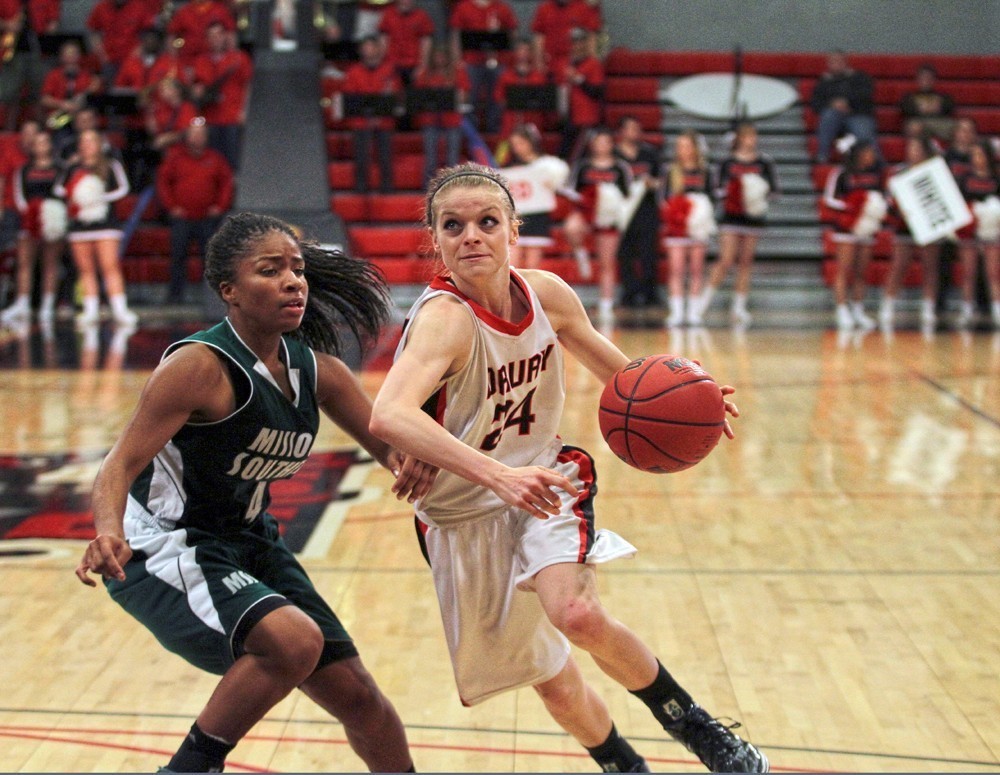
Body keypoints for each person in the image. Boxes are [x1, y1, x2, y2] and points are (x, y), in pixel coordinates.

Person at [368, 163, 769, 774]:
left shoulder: (548, 295)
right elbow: (388, 414)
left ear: (513, 229)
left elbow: (625, 380)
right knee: (551, 680)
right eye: (453, 226)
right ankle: (622, 764)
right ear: (436, 239)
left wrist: (695, 401)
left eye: (487, 222)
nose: (471, 235)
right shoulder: (444, 319)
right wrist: (491, 474)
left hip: (546, 478)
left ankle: (700, 729)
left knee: (576, 614)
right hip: (460, 514)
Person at [74, 212, 428, 773]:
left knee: (363, 702)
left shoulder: (320, 371)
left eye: (298, 269)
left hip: (252, 541)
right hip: (169, 544)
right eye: (272, 271)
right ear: (229, 291)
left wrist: (447, 473)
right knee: (291, 642)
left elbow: (395, 450)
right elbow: (118, 465)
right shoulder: (198, 366)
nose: (294, 281)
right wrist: (109, 532)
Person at [697, 123, 780, 327]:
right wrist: (735, 191)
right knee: (725, 260)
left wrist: (756, 193)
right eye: (747, 136)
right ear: (739, 139)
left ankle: (738, 307)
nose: (751, 140)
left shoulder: (764, 162)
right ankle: (701, 305)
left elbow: (774, 190)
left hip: (753, 219)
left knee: (745, 262)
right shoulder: (727, 162)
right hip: (730, 218)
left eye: (754, 136)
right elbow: (715, 189)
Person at [53, 127, 135, 326]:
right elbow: (58, 189)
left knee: (110, 267)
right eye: (84, 141)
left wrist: (97, 197)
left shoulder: (110, 165)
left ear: (99, 144)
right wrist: (78, 198)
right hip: (80, 226)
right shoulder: (73, 167)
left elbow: (123, 188)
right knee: (85, 270)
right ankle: (90, 310)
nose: (88, 145)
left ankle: (120, 309)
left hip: (106, 224)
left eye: (92, 141)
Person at [156, 118, 234, 303]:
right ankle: (175, 296)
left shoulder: (215, 159)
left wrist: (220, 207)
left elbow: (226, 184)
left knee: (210, 258)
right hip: (182, 218)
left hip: (207, 218)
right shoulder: (175, 158)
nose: (197, 138)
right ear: (187, 137)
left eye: (201, 134)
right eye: (194, 134)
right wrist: (171, 207)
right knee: (177, 257)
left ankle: (211, 299)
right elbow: (163, 183)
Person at [564, 126, 632, 323]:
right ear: (592, 145)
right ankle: (581, 254)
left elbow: (627, 195)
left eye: (605, 142)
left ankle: (606, 304)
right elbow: (571, 191)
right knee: (571, 227)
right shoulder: (583, 166)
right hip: (586, 212)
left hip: (608, 217)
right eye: (598, 142)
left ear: (612, 144)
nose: (602, 146)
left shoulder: (620, 167)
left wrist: (610, 206)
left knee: (607, 262)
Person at [0, 130, 66, 325]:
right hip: (29, 221)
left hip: (53, 220)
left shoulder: (59, 168)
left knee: (50, 264)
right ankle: (22, 304)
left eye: (44, 141)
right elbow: (19, 195)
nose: (41, 145)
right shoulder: (24, 169)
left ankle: (47, 305)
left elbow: (62, 192)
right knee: (24, 263)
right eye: (37, 142)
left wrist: (51, 214)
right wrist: (29, 213)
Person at [821, 140, 886, 330]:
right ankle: (841, 309)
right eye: (869, 152)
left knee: (861, 271)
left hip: (866, 228)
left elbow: (882, 198)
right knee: (844, 269)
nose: (872, 156)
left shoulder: (875, 175)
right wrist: (852, 206)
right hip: (846, 229)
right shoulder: (842, 173)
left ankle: (858, 309)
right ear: (859, 153)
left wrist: (872, 210)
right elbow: (829, 199)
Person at [878, 135, 941, 329]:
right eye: (910, 148)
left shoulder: (935, 172)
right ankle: (887, 305)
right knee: (899, 265)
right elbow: (889, 199)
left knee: (930, 267)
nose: (912, 152)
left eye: (917, 148)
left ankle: (928, 307)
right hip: (904, 226)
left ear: (925, 151)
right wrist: (898, 210)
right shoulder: (898, 171)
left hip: (929, 225)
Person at [660, 129, 716, 327]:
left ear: (695, 148)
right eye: (680, 146)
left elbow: (712, 198)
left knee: (696, 269)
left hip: (698, 227)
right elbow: (664, 198)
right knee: (676, 269)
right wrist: (676, 215)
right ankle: (676, 311)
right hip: (676, 227)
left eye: (687, 146)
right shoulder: (671, 171)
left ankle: (693, 312)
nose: (683, 150)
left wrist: (699, 216)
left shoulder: (706, 171)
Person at [502, 122, 568, 270]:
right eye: (514, 144)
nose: (518, 147)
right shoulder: (509, 166)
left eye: (521, 143)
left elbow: (559, 187)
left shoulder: (549, 166)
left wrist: (550, 184)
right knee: (512, 264)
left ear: (531, 142)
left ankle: (530, 293)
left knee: (533, 266)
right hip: (516, 217)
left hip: (538, 216)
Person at [448, 0, 519, 134]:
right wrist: (457, 61)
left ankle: (494, 128)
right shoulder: (464, 7)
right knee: (471, 97)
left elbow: (512, 33)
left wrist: (508, 57)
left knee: (497, 97)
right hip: (471, 61)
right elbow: (456, 35)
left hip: (497, 60)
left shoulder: (502, 7)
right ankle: (471, 131)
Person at [191, 21, 253, 171]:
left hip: (232, 117)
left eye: (219, 34)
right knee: (212, 161)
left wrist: (245, 111)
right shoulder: (200, 61)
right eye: (211, 36)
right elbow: (195, 88)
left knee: (233, 160)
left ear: (225, 36)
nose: (215, 39)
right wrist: (198, 91)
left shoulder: (239, 58)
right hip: (210, 117)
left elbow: (249, 86)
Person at [614, 115, 661, 309]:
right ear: (622, 131)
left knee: (648, 253)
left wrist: (653, 184)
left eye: (638, 129)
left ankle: (650, 294)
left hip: (646, 210)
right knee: (624, 254)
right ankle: (629, 293)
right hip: (622, 212)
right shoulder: (614, 155)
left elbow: (662, 181)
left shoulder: (650, 154)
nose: (635, 133)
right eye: (631, 128)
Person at [343, 33, 400, 193]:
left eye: (371, 46)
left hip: (384, 121)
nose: (367, 50)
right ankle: (360, 189)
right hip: (361, 122)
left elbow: (393, 96)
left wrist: (380, 113)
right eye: (365, 47)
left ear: (378, 49)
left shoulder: (389, 71)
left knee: (385, 158)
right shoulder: (354, 71)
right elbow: (350, 96)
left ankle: (387, 189)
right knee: (361, 158)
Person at [955, 142, 1000, 328]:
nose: (977, 159)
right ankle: (966, 310)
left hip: (991, 231)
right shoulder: (965, 179)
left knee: (993, 273)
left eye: (980, 154)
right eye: (974, 155)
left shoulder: (996, 178)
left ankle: (997, 310)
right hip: (970, 231)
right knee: (969, 272)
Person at [412, 42, 469, 186]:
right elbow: (417, 96)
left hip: (452, 119)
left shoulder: (457, 72)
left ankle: (452, 188)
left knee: (452, 159)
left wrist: (452, 95)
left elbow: (464, 94)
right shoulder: (425, 74)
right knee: (431, 159)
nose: (440, 59)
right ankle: (429, 190)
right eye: (437, 56)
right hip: (430, 119)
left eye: (443, 56)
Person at [810, 50, 877, 164]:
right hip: (833, 118)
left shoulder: (859, 77)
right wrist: (832, 104)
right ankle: (822, 156)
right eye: (833, 61)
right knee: (828, 116)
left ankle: (873, 162)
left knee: (862, 130)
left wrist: (847, 102)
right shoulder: (824, 81)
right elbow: (815, 104)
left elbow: (866, 96)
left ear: (846, 62)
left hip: (856, 114)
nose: (836, 64)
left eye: (839, 61)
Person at [39, 40, 101, 145]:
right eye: (67, 54)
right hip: (61, 119)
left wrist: (94, 88)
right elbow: (44, 99)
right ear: (61, 57)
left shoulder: (87, 76)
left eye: (74, 53)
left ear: (79, 56)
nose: (71, 57)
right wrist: (63, 105)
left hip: (81, 119)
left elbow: (94, 97)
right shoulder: (53, 75)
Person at [557, 27, 605, 162]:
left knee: (580, 156)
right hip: (569, 119)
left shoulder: (593, 65)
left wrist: (578, 79)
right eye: (574, 43)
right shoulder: (565, 64)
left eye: (580, 42)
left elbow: (597, 91)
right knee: (565, 155)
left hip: (586, 120)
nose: (577, 46)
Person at [0, 0, 45, 131]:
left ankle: (41, 132)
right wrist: (7, 24)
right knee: (10, 94)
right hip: (11, 51)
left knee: (38, 93)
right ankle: (8, 132)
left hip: (36, 50)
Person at [530, 0, 602, 75]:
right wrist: (539, 63)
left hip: (577, 66)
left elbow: (591, 39)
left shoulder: (584, 8)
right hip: (550, 66)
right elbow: (539, 39)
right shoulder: (544, 9)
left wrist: (590, 66)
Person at [167, 0, 236, 77]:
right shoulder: (184, 12)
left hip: (213, 65)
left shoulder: (220, 11)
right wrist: (174, 61)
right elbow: (172, 37)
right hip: (187, 64)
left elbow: (230, 36)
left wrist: (230, 58)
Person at [378, 0, 434, 87]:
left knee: (414, 94)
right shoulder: (388, 14)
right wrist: (383, 64)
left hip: (414, 64)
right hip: (392, 63)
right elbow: (383, 41)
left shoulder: (421, 16)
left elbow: (426, 42)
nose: (405, 3)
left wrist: (423, 65)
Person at [899, 64, 955, 143]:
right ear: (917, 80)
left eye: (929, 78)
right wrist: (920, 108)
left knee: (959, 129)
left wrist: (938, 107)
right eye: (923, 77)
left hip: (938, 123)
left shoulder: (942, 97)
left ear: (934, 80)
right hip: (918, 122)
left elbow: (950, 107)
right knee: (914, 127)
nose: (926, 80)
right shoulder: (910, 96)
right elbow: (904, 109)